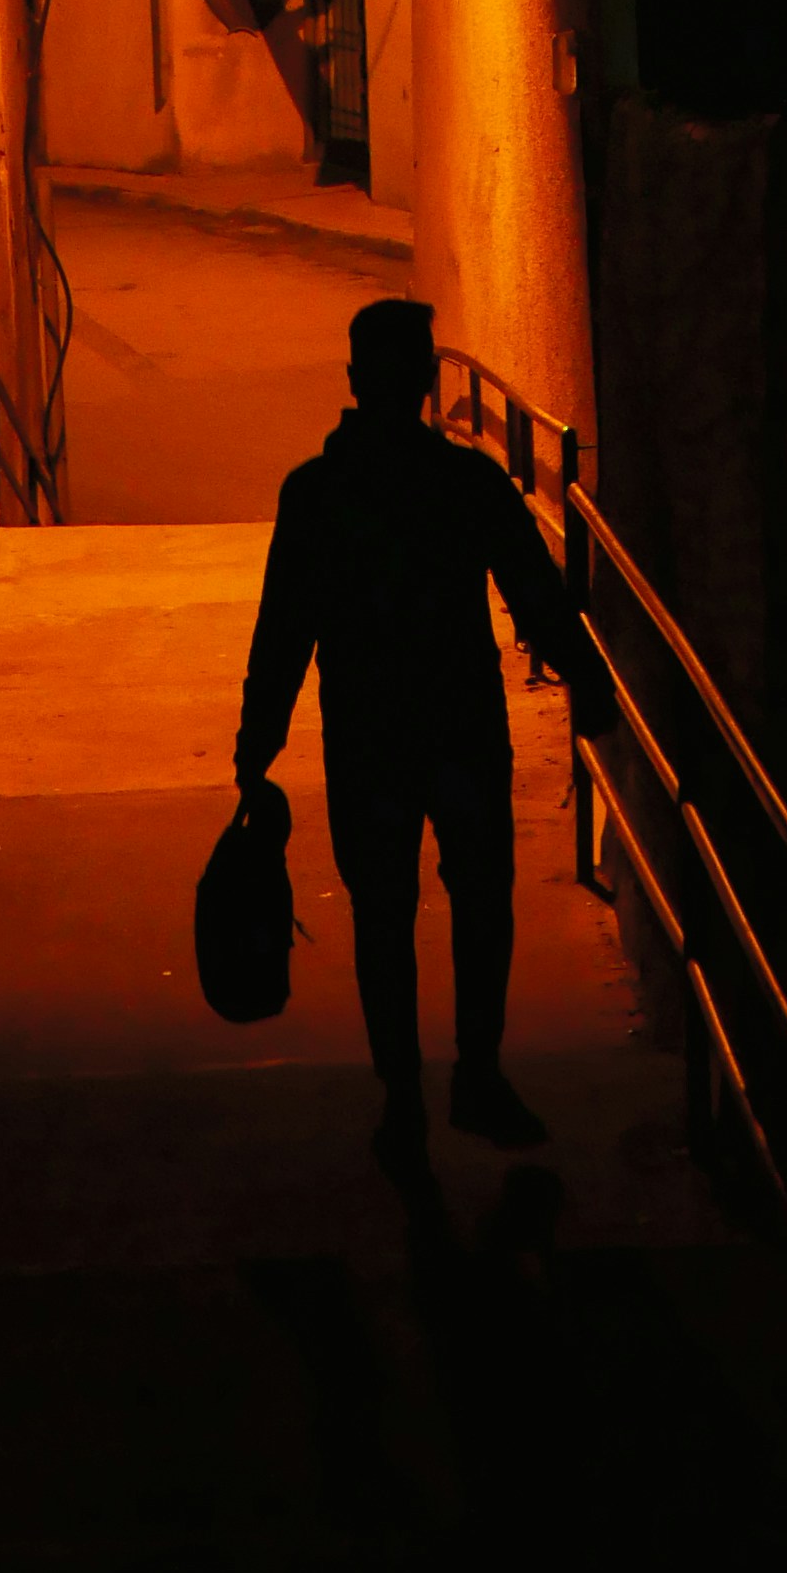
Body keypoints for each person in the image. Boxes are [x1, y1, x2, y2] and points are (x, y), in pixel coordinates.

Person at [235, 294, 575, 1172]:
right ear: (427, 379)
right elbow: (535, 592)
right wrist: (595, 684)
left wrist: (258, 738)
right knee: (482, 901)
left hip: (367, 733)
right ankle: (478, 1074)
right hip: (462, 724)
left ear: (355, 380)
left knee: (383, 915)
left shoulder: (316, 494)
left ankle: (402, 1096)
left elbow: (285, 628)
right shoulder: (467, 484)